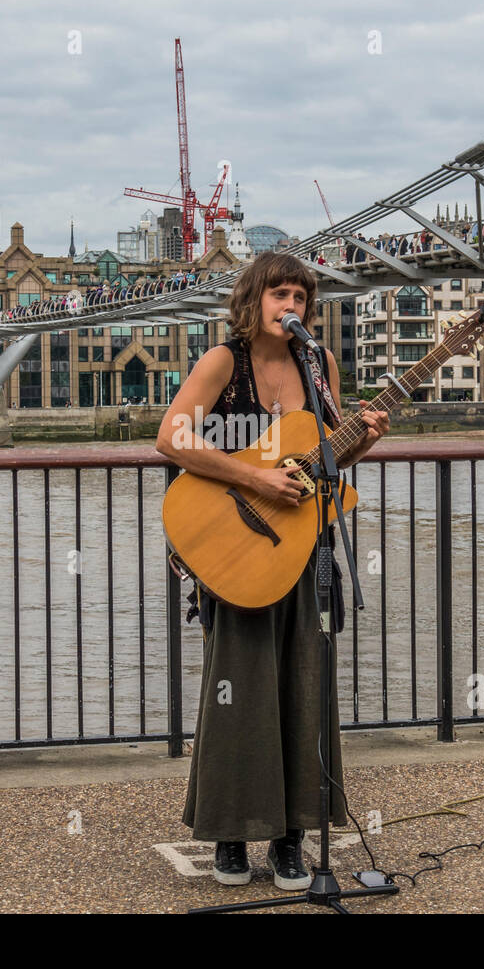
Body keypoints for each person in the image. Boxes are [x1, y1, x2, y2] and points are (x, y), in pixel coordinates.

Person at [155, 251, 389, 891]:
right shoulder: (221, 363)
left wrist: (364, 438)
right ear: (253, 299)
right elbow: (172, 438)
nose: (292, 306)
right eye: (280, 294)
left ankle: (292, 837)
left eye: (302, 297)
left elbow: (328, 460)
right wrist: (256, 475)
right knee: (238, 691)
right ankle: (231, 833)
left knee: (304, 690)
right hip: (234, 547)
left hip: (304, 549)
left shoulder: (319, 365)